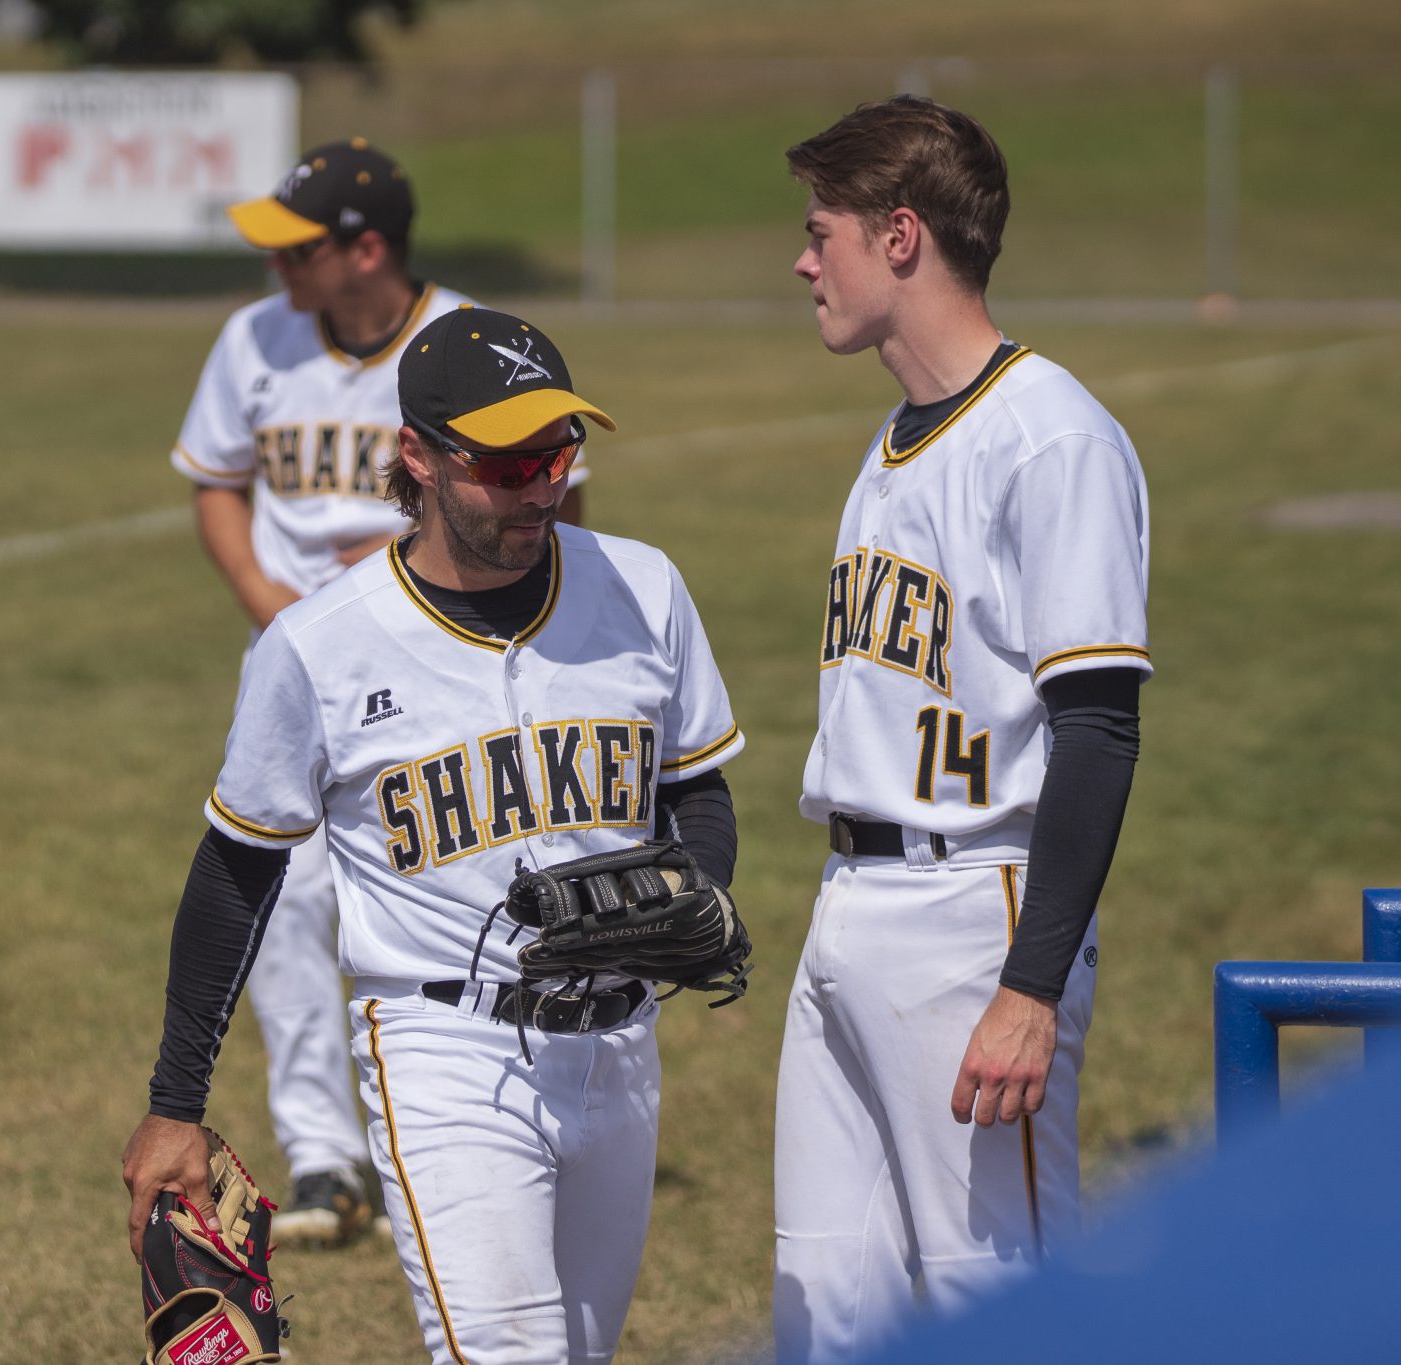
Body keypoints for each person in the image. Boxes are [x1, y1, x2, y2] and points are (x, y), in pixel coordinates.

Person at [126, 307, 743, 1362]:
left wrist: (699, 895)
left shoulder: (642, 588)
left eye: (558, 452)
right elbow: (237, 875)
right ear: (414, 455)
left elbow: (696, 791)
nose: (541, 485)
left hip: (621, 1054)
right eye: (505, 464)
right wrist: (174, 1105)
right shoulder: (319, 644)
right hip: (444, 1051)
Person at [772, 96, 1149, 1362]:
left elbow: (1095, 731)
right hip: (849, 907)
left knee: (997, 1308)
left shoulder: (1048, 439)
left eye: (819, 230)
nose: (801, 259)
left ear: (898, 237)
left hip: (969, 914)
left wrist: (1029, 987)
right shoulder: (892, 438)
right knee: (826, 1306)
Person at [171, 137, 587, 1246]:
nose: (278, 271)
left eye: (297, 249)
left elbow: (558, 502)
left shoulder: (468, 340)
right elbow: (215, 485)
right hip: (303, 669)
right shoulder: (253, 340)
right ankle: (322, 1160)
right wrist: (275, 604)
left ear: (366, 250)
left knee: (471, 892)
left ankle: (508, 1116)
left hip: (447, 672)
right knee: (285, 897)